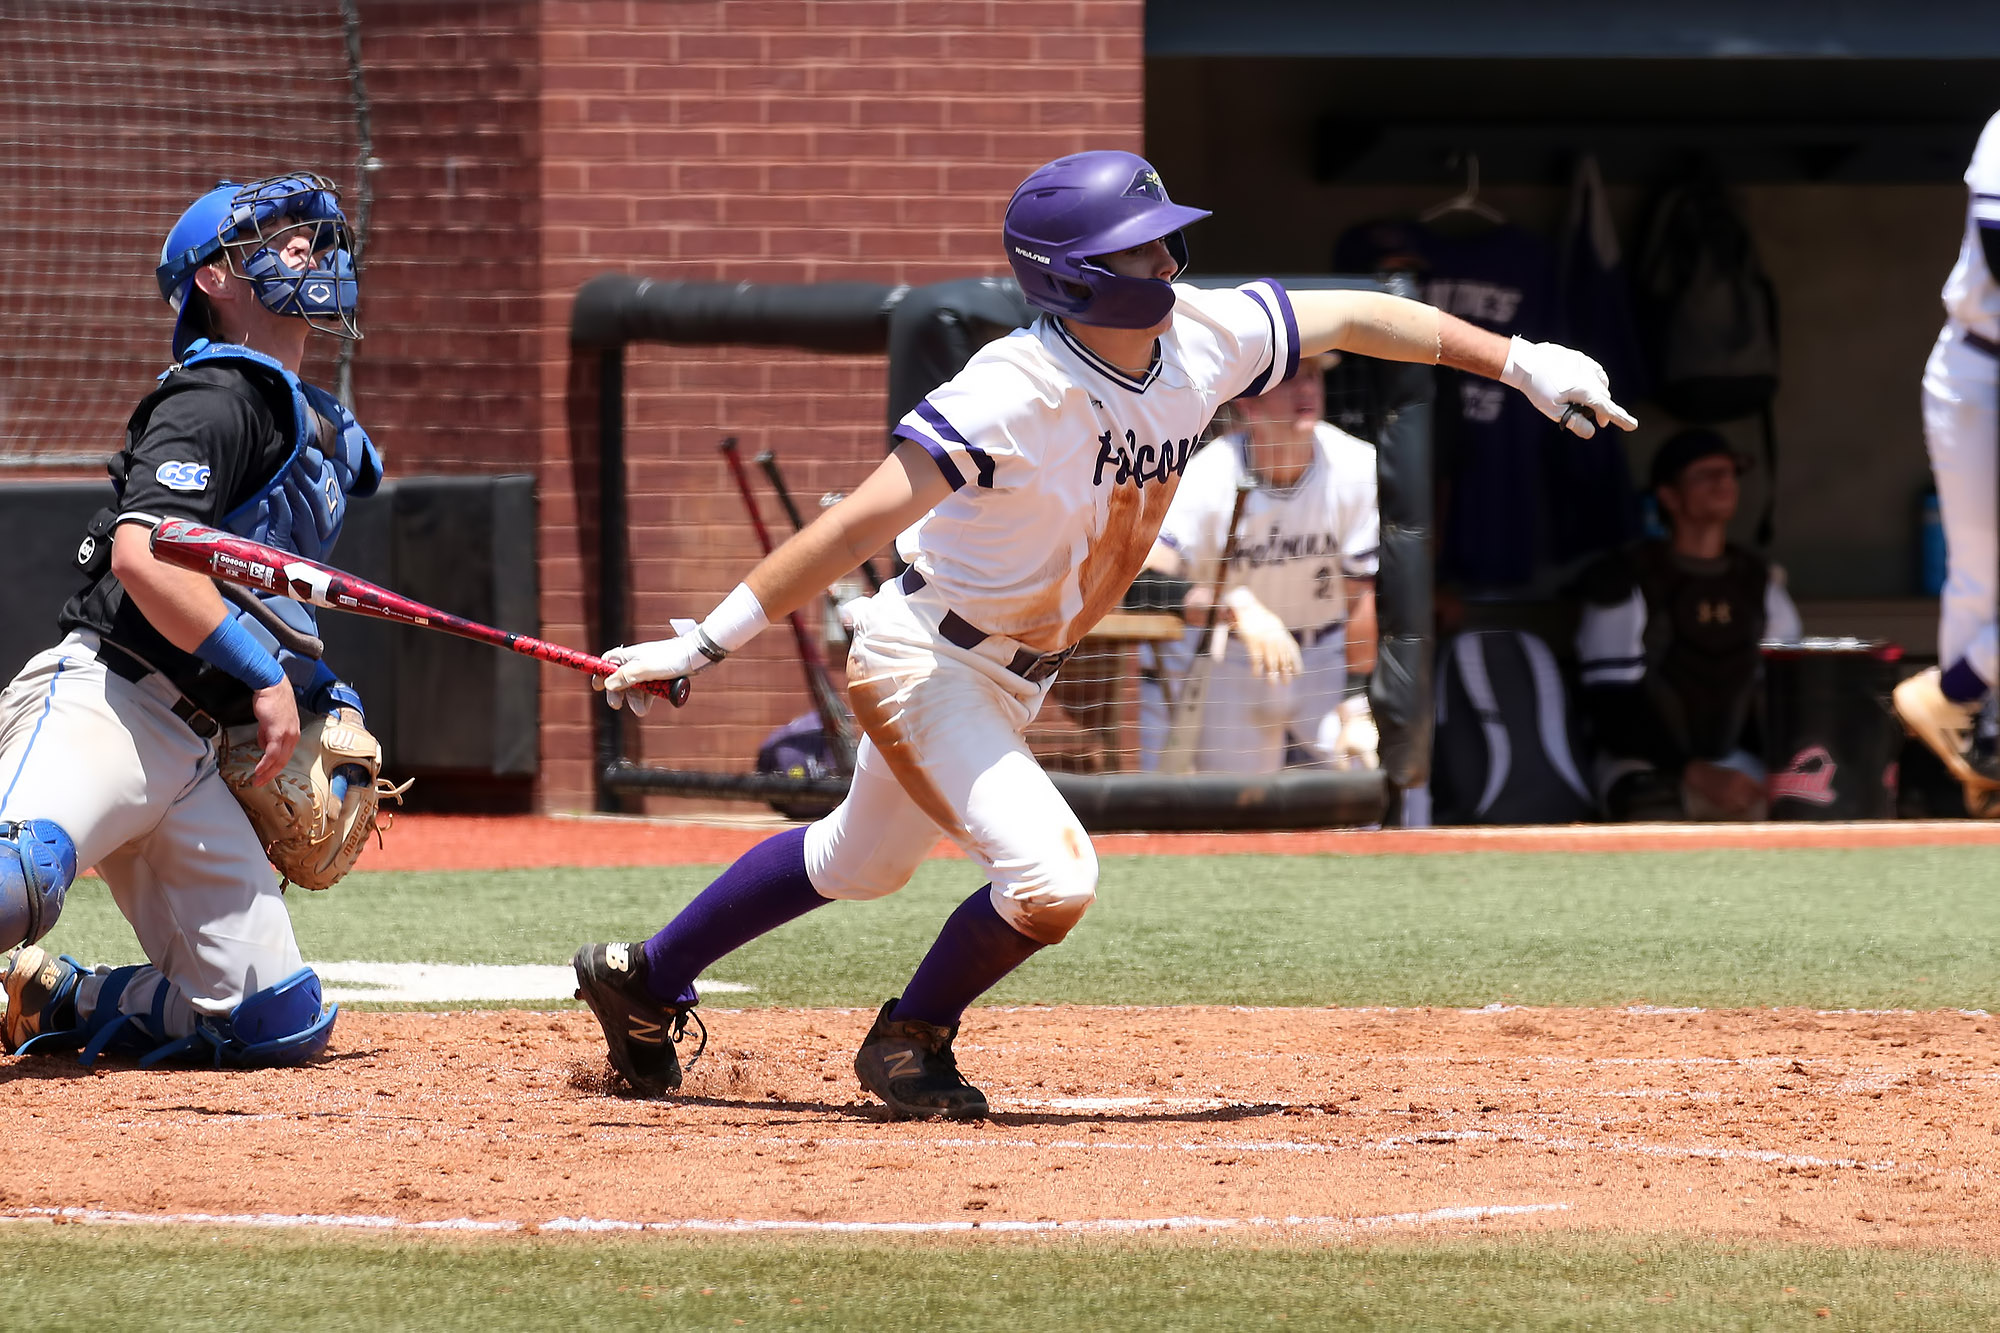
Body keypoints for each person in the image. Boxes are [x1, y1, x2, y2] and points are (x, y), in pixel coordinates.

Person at [573, 149, 1635, 1119]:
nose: (1167, 261)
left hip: (1014, 668)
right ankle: (911, 1039)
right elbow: (856, 523)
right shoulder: (1011, 389)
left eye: (1165, 240)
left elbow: (1357, 314)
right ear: (1073, 277)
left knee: (859, 863)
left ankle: (643, 977)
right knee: (1051, 879)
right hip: (926, 658)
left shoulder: (1200, 337)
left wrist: (1521, 361)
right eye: (1138, 248)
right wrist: (703, 643)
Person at [0, 174, 379, 1066]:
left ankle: (51, 995)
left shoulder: (302, 421)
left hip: (192, 747)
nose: (307, 246)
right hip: (108, 702)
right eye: (275, 238)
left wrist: (321, 689)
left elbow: (259, 590)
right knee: (16, 882)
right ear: (213, 277)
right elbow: (143, 553)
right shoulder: (215, 396)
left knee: (272, 1020)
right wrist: (264, 676)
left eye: (311, 235)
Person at [1135, 355, 1381, 773]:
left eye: (1314, 375)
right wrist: (1229, 607)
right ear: (1247, 401)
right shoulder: (1207, 476)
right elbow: (1142, 580)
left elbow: (1360, 596)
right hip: (1233, 657)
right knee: (1233, 803)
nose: (1307, 388)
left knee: (1368, 780)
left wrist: (1357, 701)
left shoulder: (1356, 466)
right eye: (1289, 378)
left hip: (1324, 654)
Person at [1574, 428, 1801, 821]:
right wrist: (1692, 771)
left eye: (1728, 472)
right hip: (1642, 763)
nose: (1723, 482)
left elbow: (1782, 695)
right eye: (1705, 474)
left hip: (1731, 757)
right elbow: (1611, 708)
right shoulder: (1628, 578)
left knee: (1801, 800)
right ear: (1669, 496)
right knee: (1652, 804)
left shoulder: (1757, 581)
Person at [1894, 110, 2000, 810]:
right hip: (1981, 368)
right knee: (1977, 577)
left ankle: (1956, 696)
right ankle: (1981, 755)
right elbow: (1999, 240)